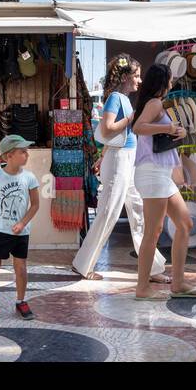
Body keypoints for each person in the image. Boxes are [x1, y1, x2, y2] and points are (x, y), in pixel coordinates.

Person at [71, 53, 169, 283]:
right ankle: (83, 265)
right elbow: (106, 130)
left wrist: (103, 154)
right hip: (120, 162)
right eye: (136, 75)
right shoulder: (116, 98)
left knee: (137, 213)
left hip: (125, 159)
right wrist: (132, 119)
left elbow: (111, 136)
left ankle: (152, 268)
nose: (140, 80)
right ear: (125, 77)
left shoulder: (122, 98)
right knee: (108, 213)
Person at [132, 62, 196, 301]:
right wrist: (168, 126)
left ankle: (179, 283)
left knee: (184, 224)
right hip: (152, 173)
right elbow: (138, 128)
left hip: (159, 173)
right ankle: (142, 287)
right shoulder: (154, 103)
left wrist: (176, 131)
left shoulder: (154, 104)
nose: (172, 84)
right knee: (153, 231)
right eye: (170, 80)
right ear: (162, 82)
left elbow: (157, 132)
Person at [0, 134, 41, 320]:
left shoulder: (30, 177)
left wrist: (22, 223)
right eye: (23, 152)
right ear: (9, 155)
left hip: (21, 233)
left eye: (27, 151)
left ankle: (21, 301)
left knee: (20, 267)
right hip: (0, 231)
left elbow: (35, 205)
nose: (27, 155)